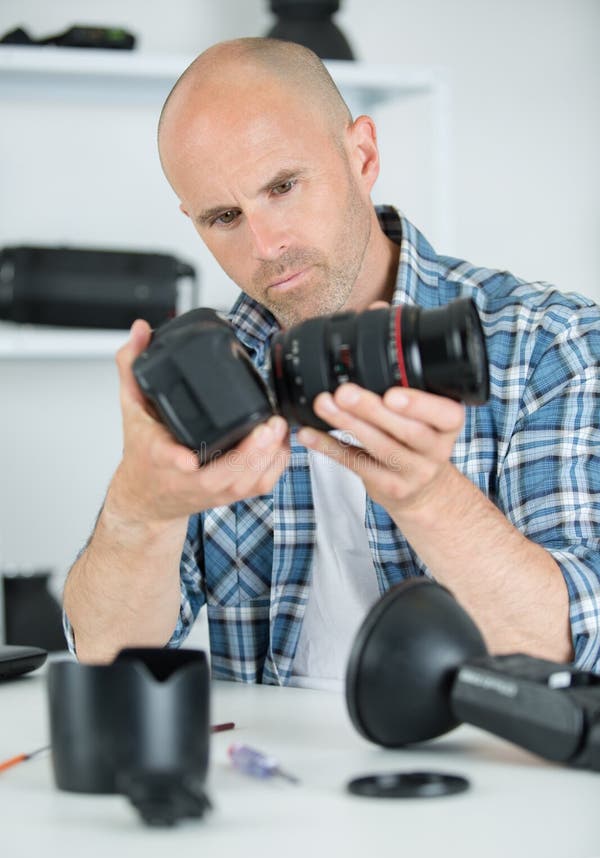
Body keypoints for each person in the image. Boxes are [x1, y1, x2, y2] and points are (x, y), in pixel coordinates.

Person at [63, 37, 600, 687]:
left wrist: (430, 499)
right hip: (273, 778)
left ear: (363, 155)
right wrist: (140, 509)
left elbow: (576, 648)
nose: (266, 245)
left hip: (491, 776)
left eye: (283, 186)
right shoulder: (210, 370)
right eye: (225, 216)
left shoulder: (550, 344)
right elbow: (105, 654)